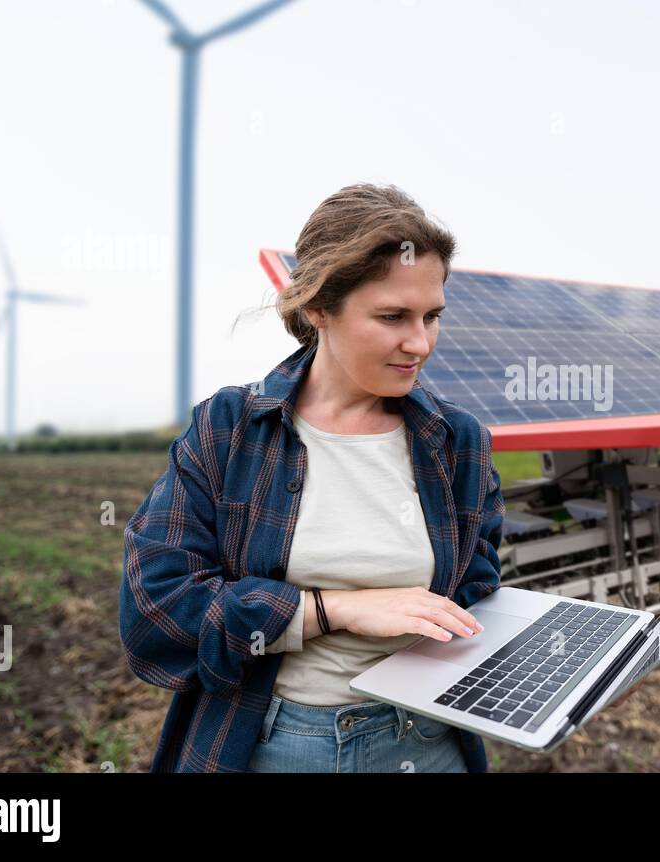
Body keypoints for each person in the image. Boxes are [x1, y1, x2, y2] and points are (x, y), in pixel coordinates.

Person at [119, 183, 505, 773]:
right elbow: (158, 609)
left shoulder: (458, 443)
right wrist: (335, 610)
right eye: (392, 317)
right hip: (277, 744)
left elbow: (477, 584)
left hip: (426, 745)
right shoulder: (230, 430)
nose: (420, 343)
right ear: (318, 308)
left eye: (432, 317)